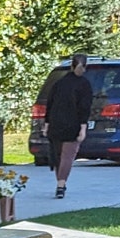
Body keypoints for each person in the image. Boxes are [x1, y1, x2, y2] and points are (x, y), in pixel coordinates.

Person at [43, 53, 94, 198]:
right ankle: (61, 186)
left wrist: (46, 124)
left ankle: (60, 183)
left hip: (55, 123)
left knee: (58, 156)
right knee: (67, 156)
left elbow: (50, 104)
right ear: (85, 67)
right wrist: (83, 128)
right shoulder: (84, 85)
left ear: (71, 65)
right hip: (73, 124)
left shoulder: (59, 83)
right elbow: (84, 108)